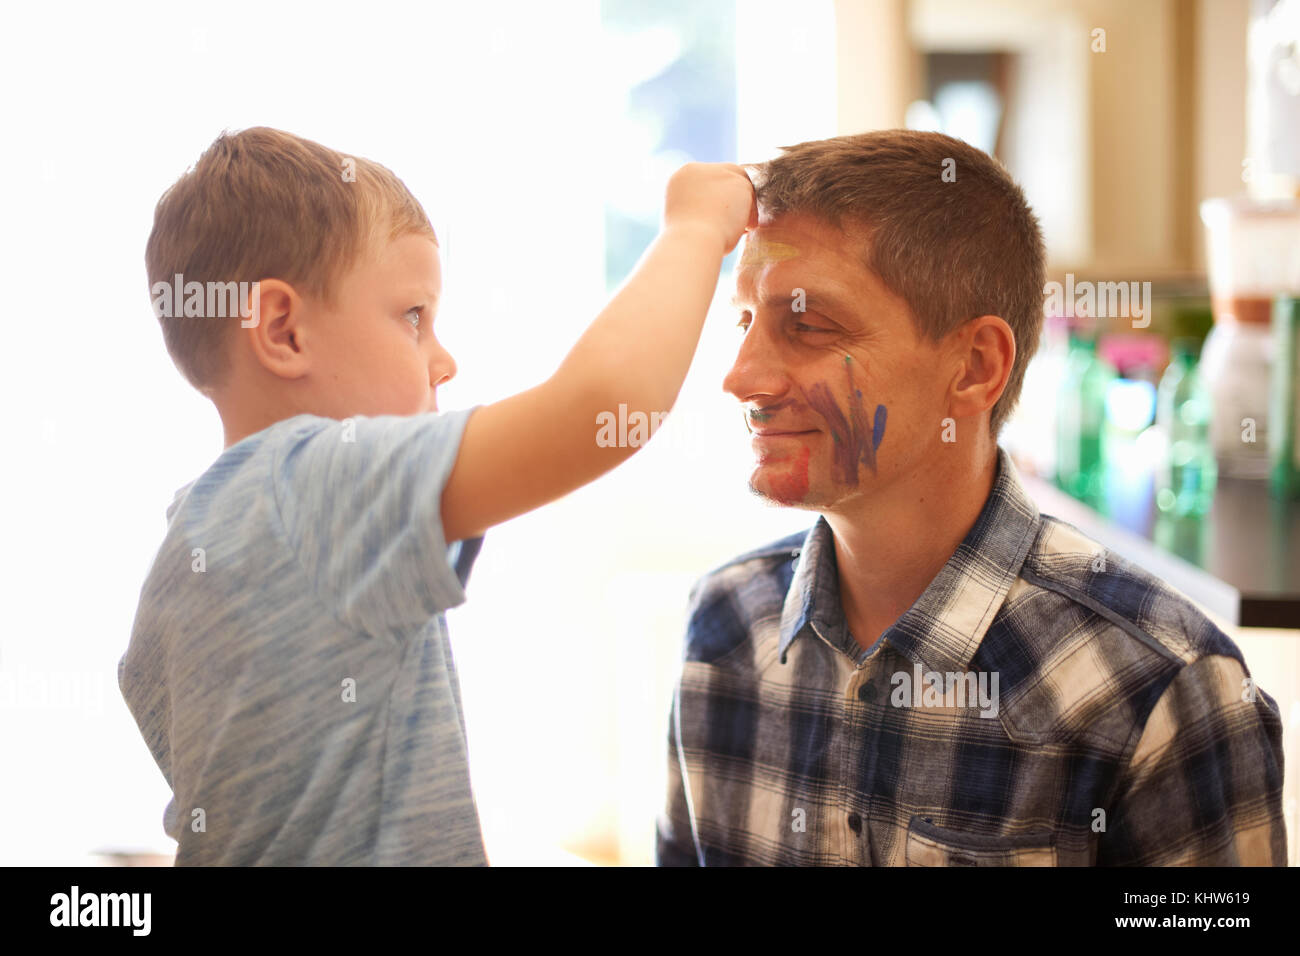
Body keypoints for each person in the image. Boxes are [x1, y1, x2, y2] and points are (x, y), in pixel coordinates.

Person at [119, 126, 755, 865]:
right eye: (413, 317)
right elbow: (605, 410)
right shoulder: (313, 487)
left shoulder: (192, 547)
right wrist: (695, 229)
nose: (443, 359)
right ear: (283, 330)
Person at [656, 129, 1287, 866]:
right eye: (744, 322)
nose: (742, 377)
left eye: (809, 326)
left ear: (975, 366)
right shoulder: (726, 627)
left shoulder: (1160, 687)